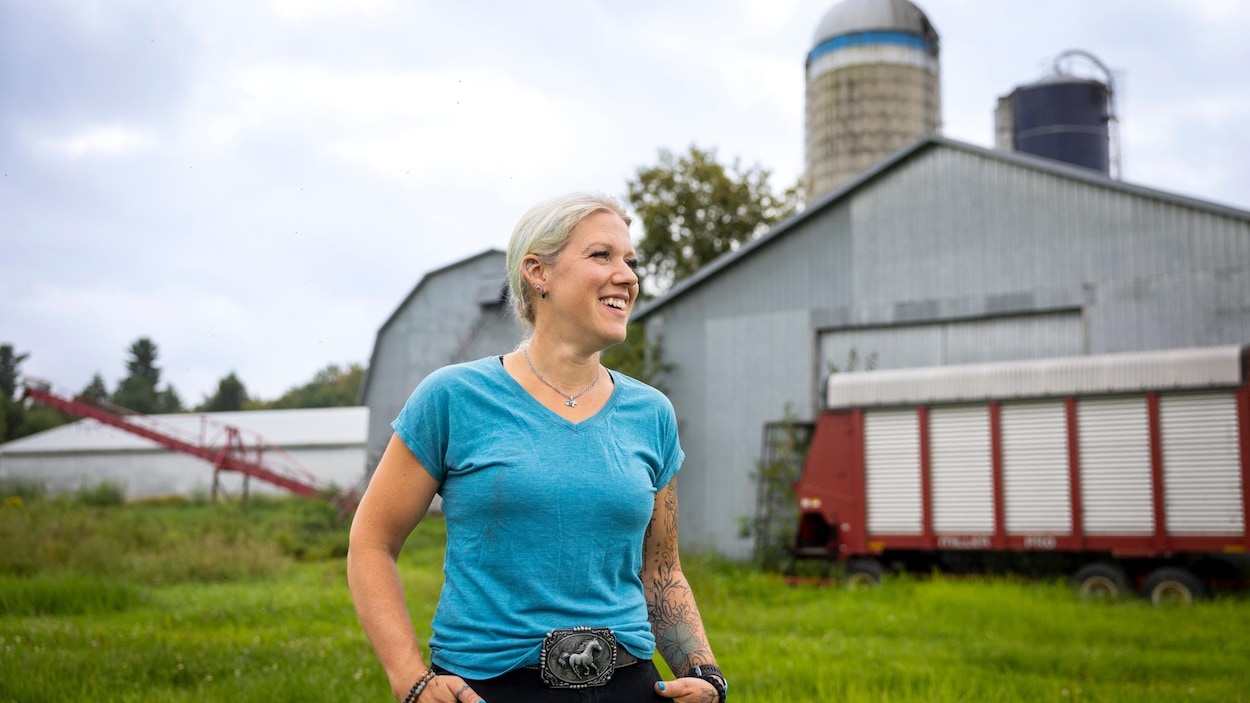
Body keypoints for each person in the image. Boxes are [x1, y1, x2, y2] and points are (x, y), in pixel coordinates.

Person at [347, 192, 727, 703]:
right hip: (488, 690)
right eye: (602, 256)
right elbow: (372, 543)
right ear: (537, 272)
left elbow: (661, 569)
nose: (628, 276)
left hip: (631, 687)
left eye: (630, 262)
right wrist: (410, 680)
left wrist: (705, 673)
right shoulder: (453, 398)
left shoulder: (651, 413)